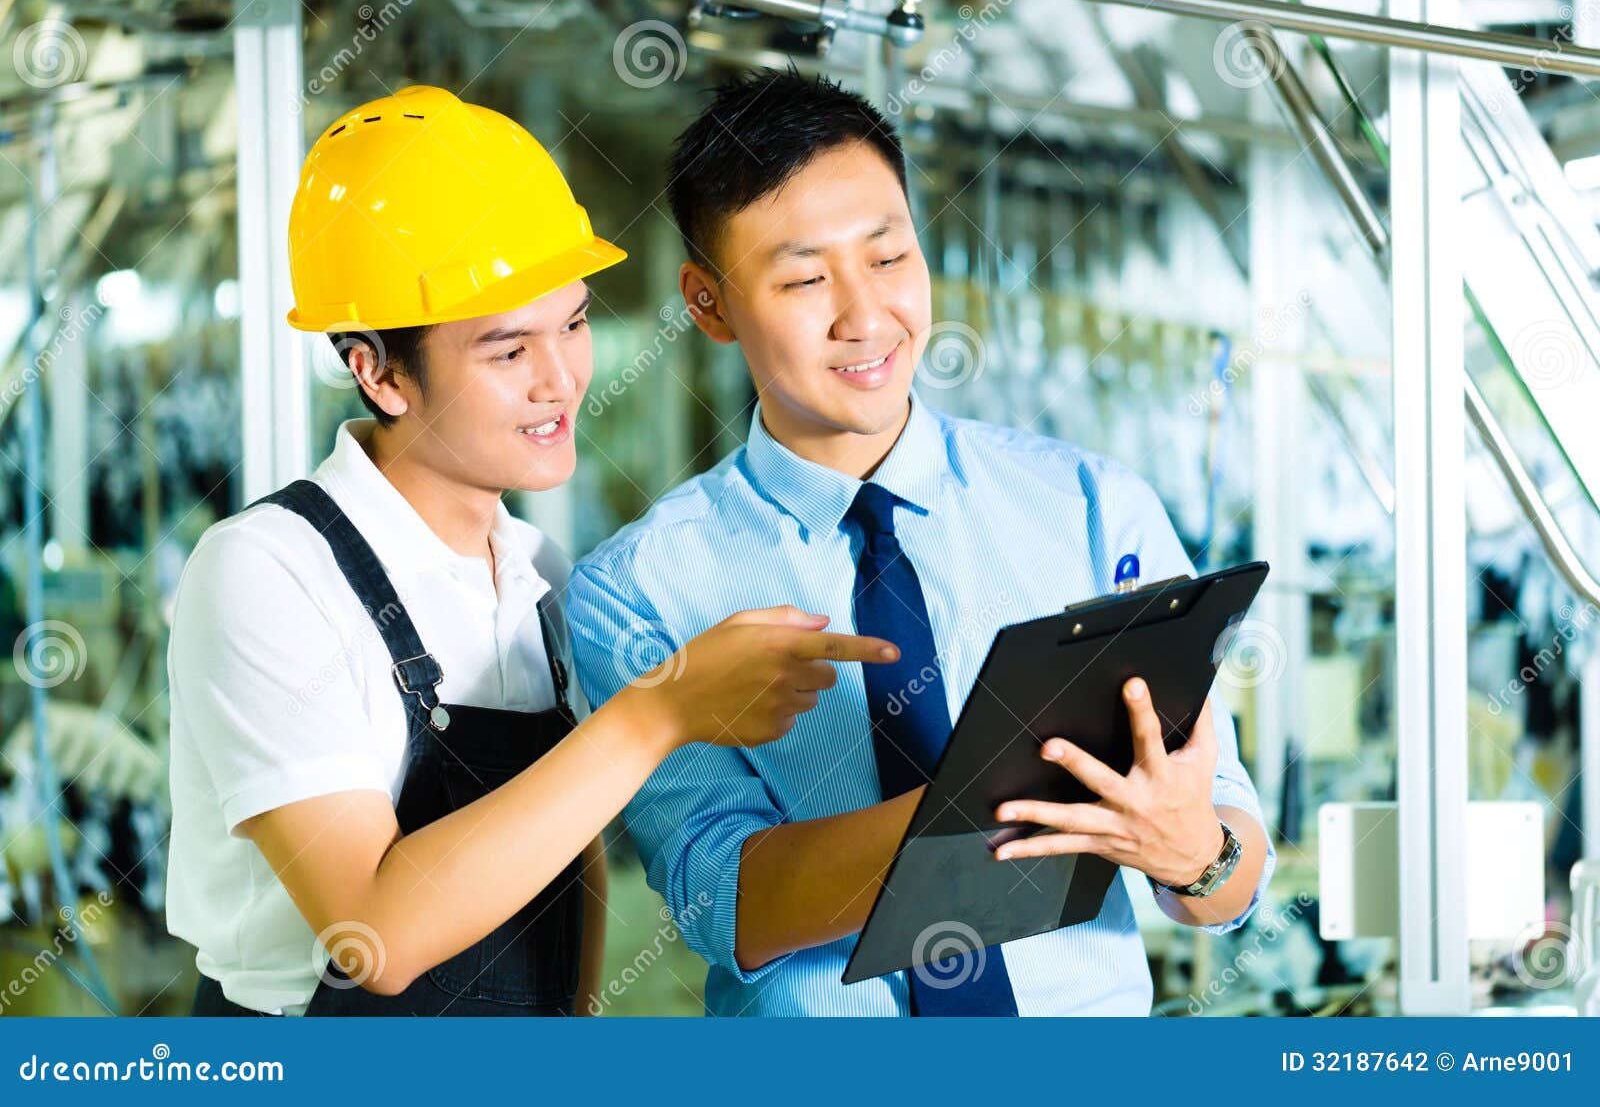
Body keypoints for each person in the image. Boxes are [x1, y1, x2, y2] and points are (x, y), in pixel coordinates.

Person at [165, 85, 896, 1017]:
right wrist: (658, 713)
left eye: (575, 323)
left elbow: (567, 842)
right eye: (509, 351)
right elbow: (373, 935)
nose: (563, 380)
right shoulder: (270, 572)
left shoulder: (537, 570)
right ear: (379, 371)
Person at [568, 72, 1275, 1017]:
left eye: (889, 256)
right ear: (709, 304)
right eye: (805, 278)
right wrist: (1007, 805)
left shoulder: (1095, 507)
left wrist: (1198, 853)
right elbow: (721, 902)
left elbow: (1227, 872)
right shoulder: (640, 589)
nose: (865, 317)